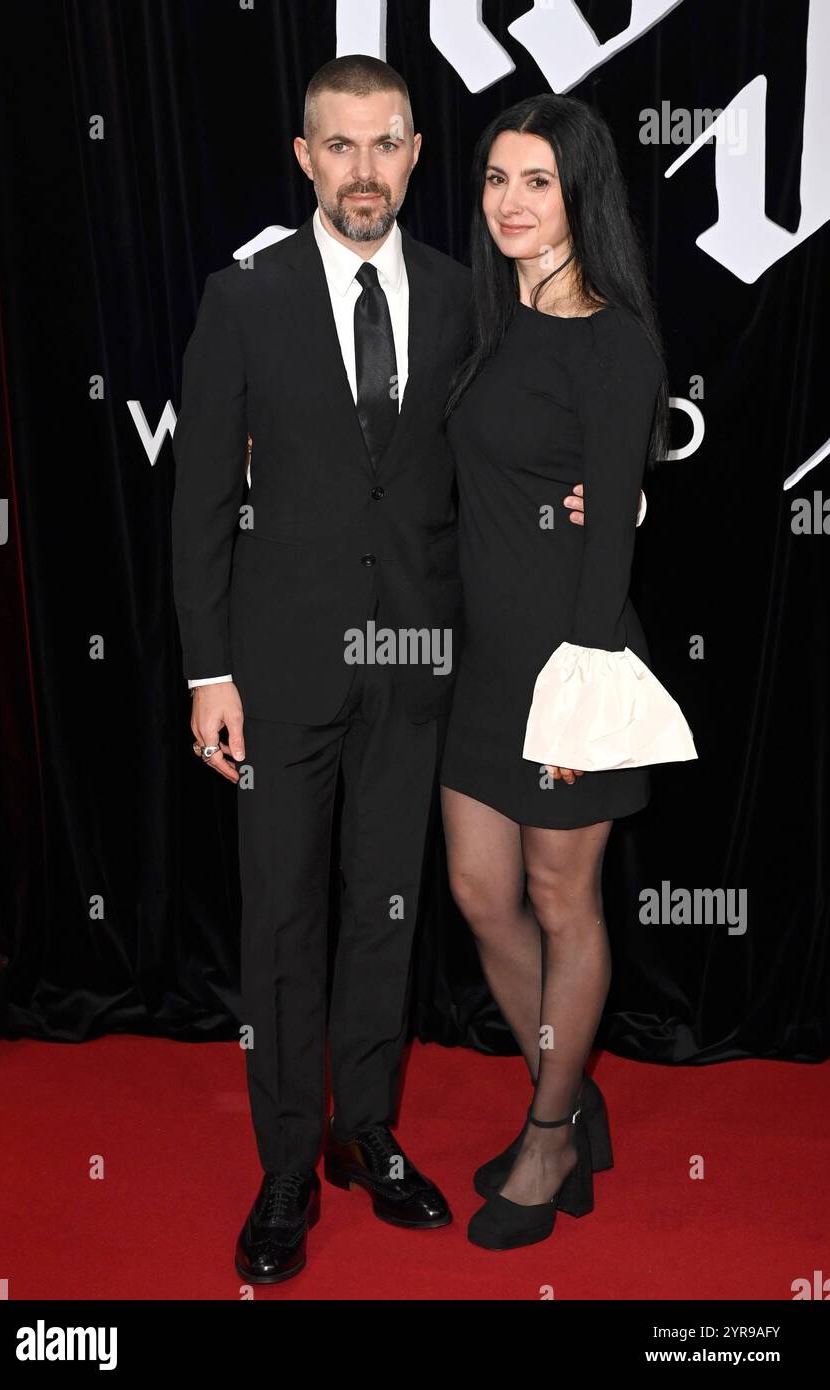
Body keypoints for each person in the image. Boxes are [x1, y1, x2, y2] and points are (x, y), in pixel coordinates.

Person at [171, 57, 601, 1284]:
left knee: (384, 916)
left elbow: (523, 438)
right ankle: (285, 1165)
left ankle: (370, 1132)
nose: (365, 169)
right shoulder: (243, 297)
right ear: (305, 158)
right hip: (281, 671)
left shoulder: (474, 299)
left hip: (419, 666)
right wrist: (209, 671)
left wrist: (581, 493)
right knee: (283, 921)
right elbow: (201, 499)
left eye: (387, 144)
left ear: (417, 154)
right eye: (339, 146)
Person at [439, 95, 697, 1252]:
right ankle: (573, 1090)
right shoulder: (491, 320)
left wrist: (583, 695)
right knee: (483, 895)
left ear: (580, 190)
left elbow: (613, 536)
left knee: (560, 899)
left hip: (572, 666)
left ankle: (549, 1133)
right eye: (496, 177)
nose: (509, 201)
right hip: (486, 667)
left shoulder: (617, 339)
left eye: (535, 180)